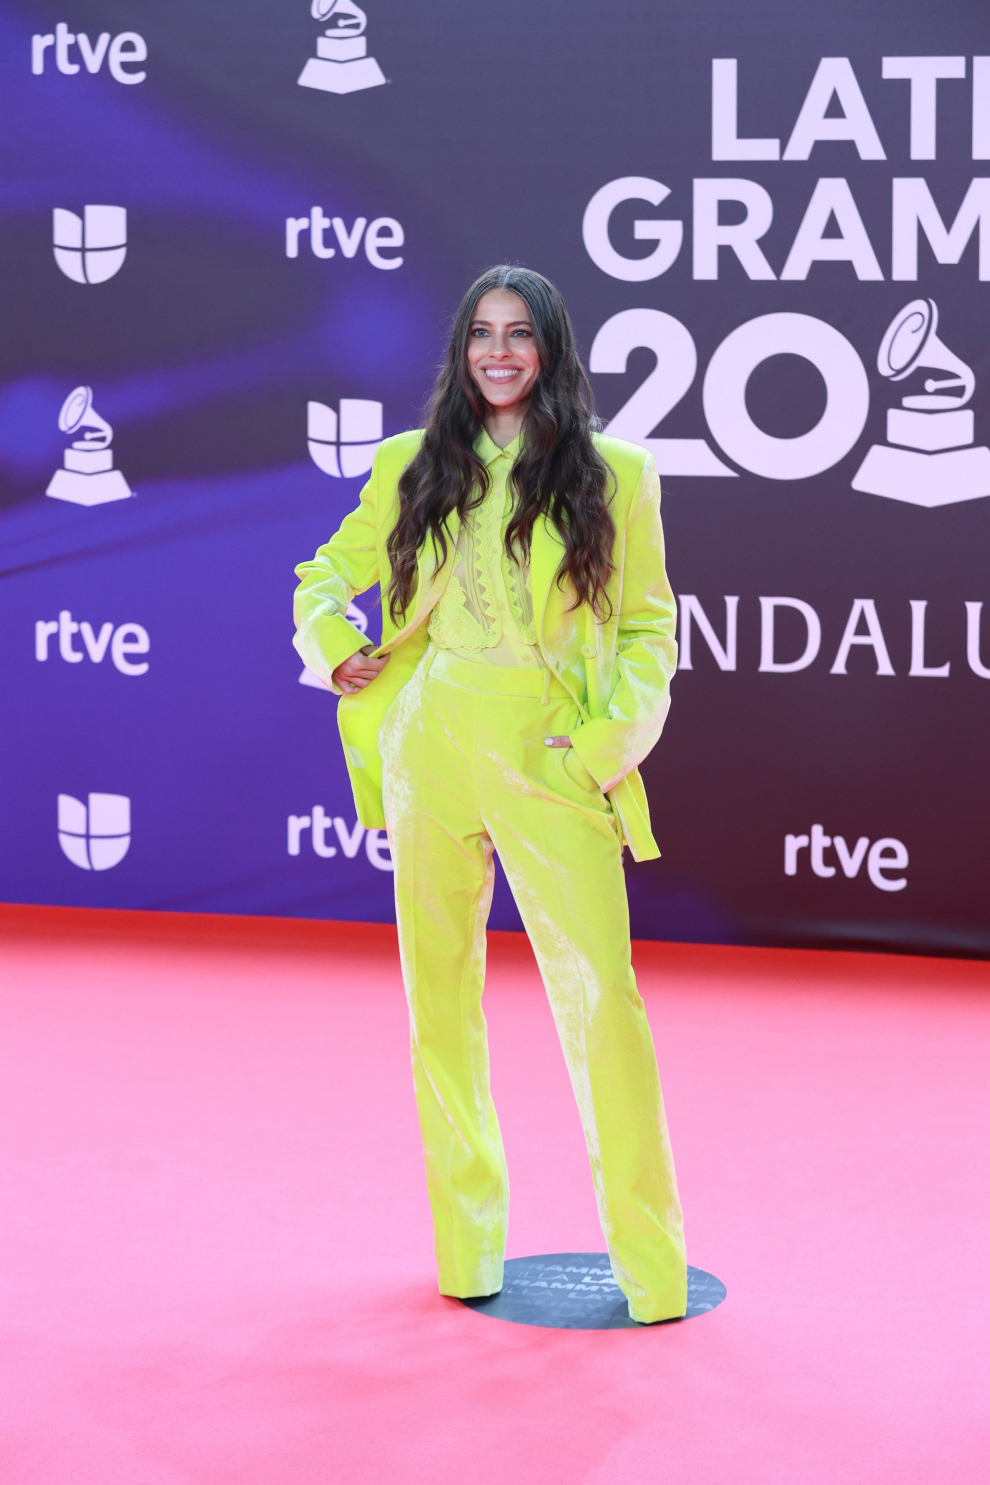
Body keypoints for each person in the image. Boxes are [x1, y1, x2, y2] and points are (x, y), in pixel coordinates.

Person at [293, 265, 686, 1323]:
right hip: (431, 744)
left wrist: (600, 748)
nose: (498, 352)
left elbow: (651, 630)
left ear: (551, 350)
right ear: (461, 352)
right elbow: (324, 573)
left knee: (603, 997)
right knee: (440, 1007)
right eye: (481, 334)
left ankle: (652, 1272)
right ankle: (466, 1254)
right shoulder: (410, 464)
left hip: (550, 753)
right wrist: (336, 650)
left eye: (519, 334)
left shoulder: (615, 472)